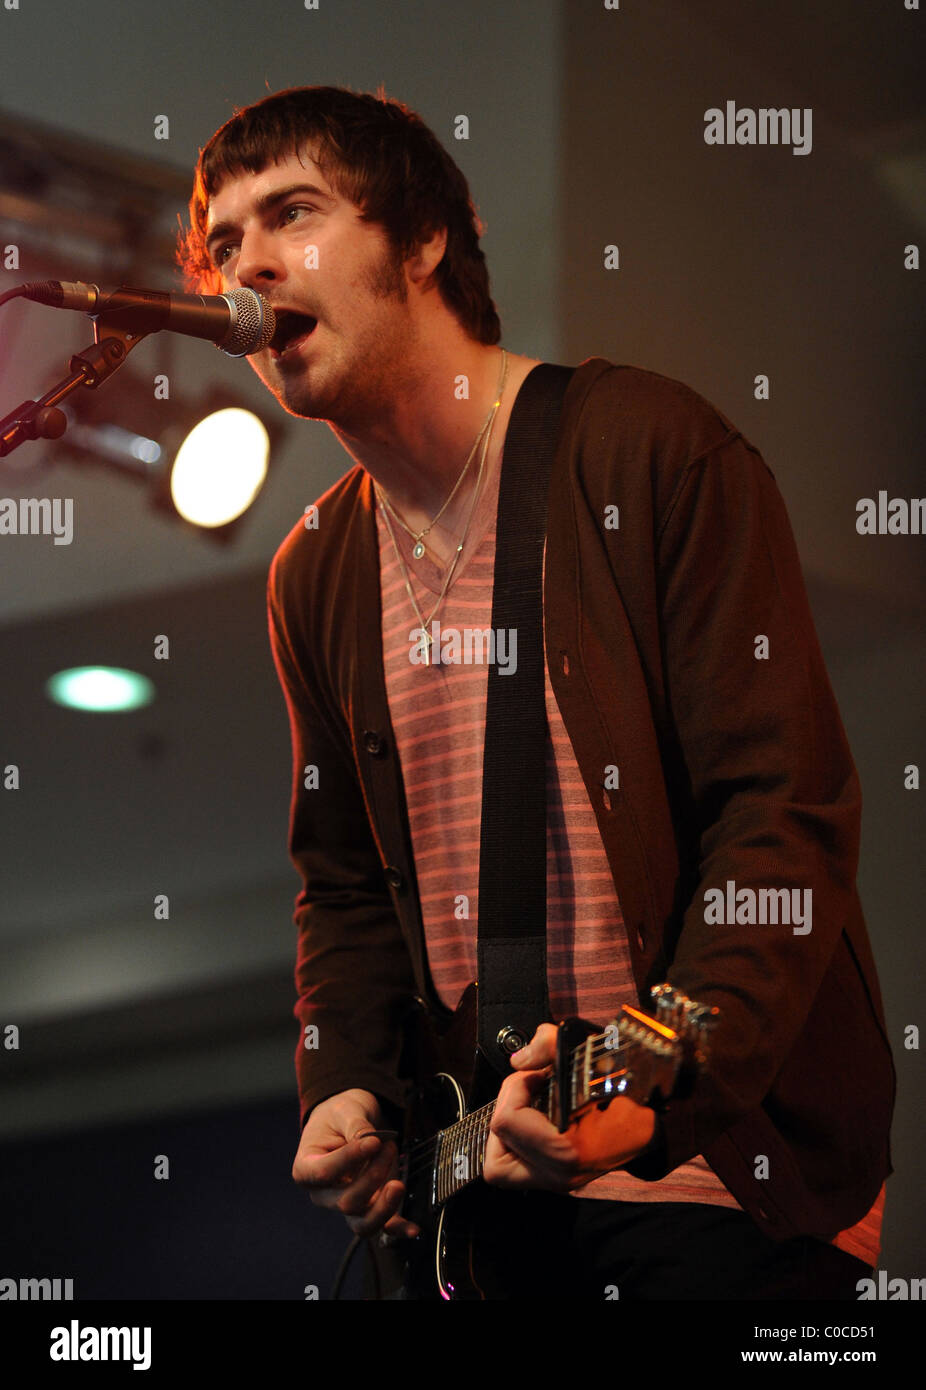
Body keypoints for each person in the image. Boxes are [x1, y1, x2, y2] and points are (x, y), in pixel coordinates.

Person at [179, 85, 895, 1299]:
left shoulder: (646, 449)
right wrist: (345, 1080)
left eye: (289, 213)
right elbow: (343, 888)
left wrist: (657, 1080)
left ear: (421, 240)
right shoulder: (315, 570)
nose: (245, 261)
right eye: (223, 244)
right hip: (477, 1204)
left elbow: (781, 815)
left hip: (710, 1183)